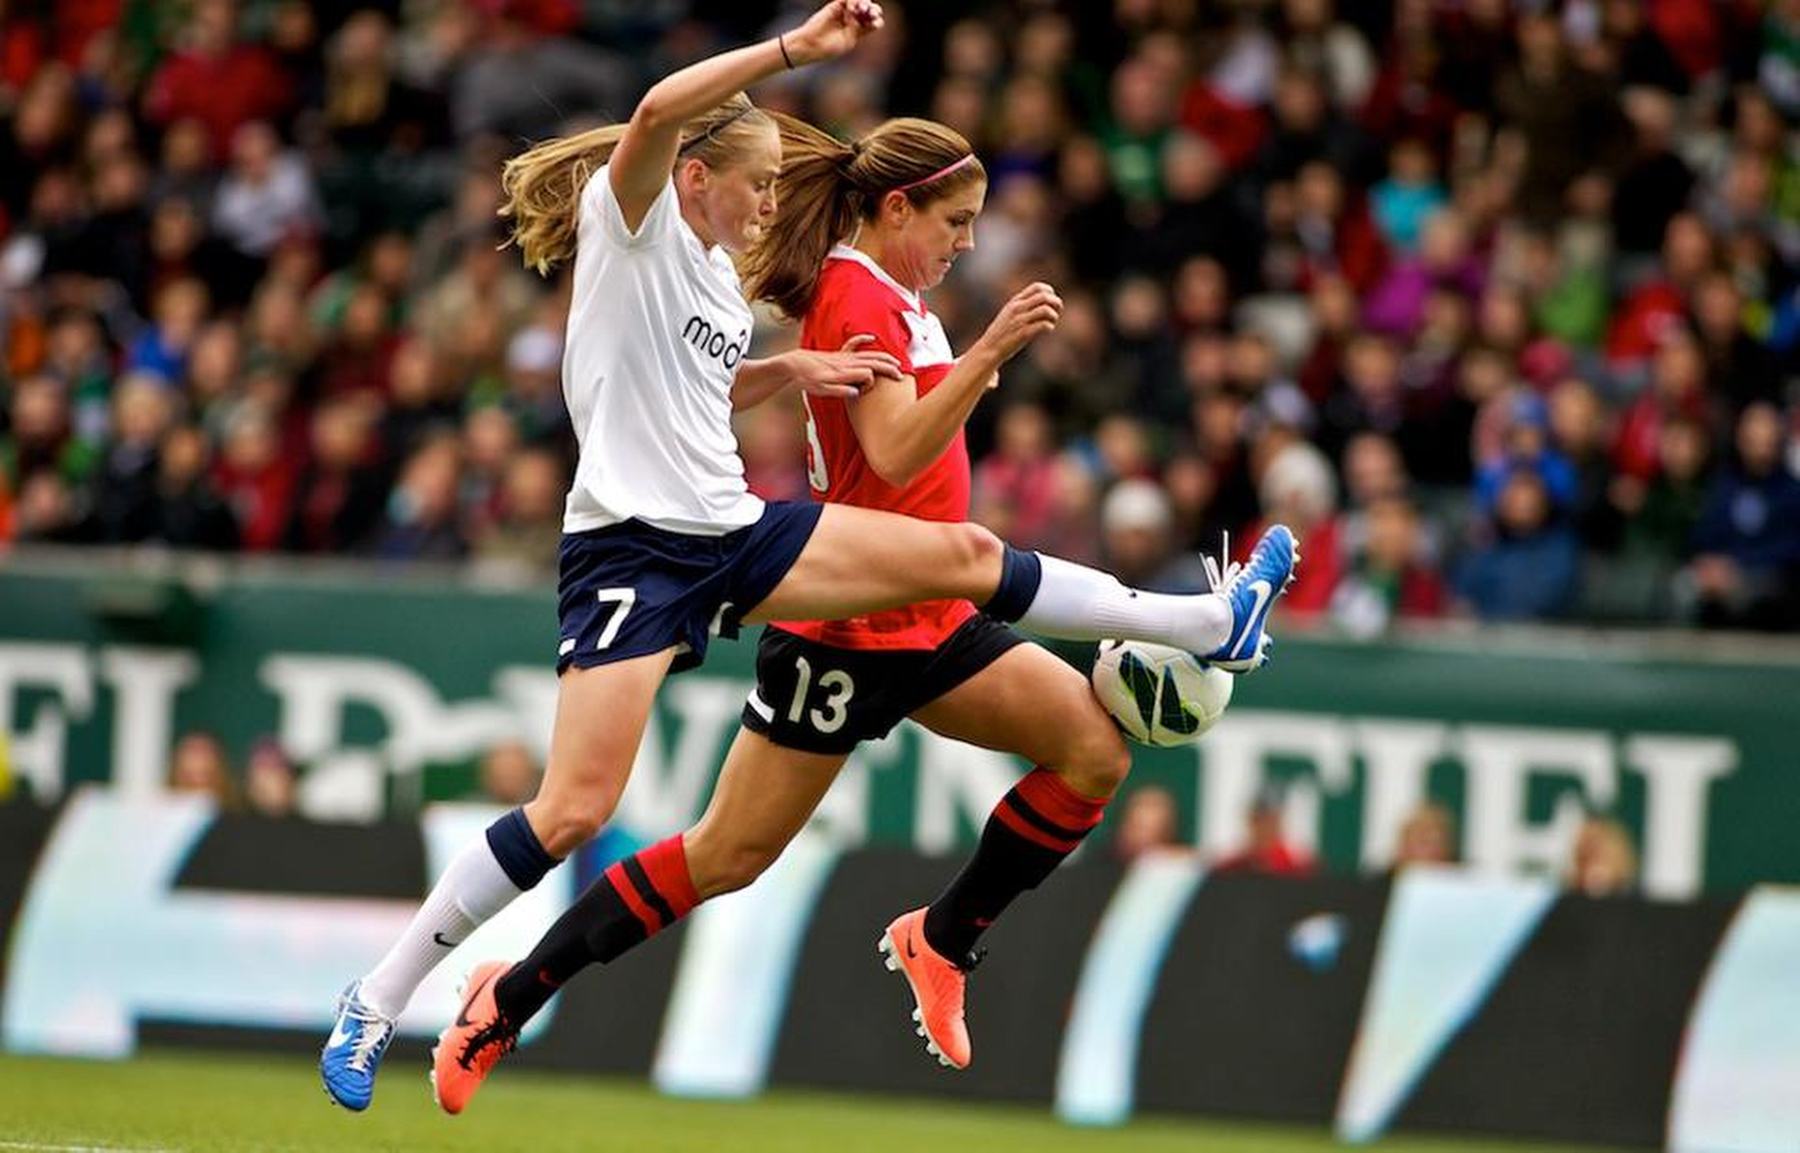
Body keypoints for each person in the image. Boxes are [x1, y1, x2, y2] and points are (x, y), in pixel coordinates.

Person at [320, 1, 1296, 1115]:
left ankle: (1204, 629)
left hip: (735, 532)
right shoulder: (633, 220)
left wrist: (787, 375)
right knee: (581, 812)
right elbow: (652, 111)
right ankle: (386, 997)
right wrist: (796, 51)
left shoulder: (717, 284)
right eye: (759, 185)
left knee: (993, 599)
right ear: (697, 179)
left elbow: (689, 393)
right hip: (634, 554)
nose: (773, 207)